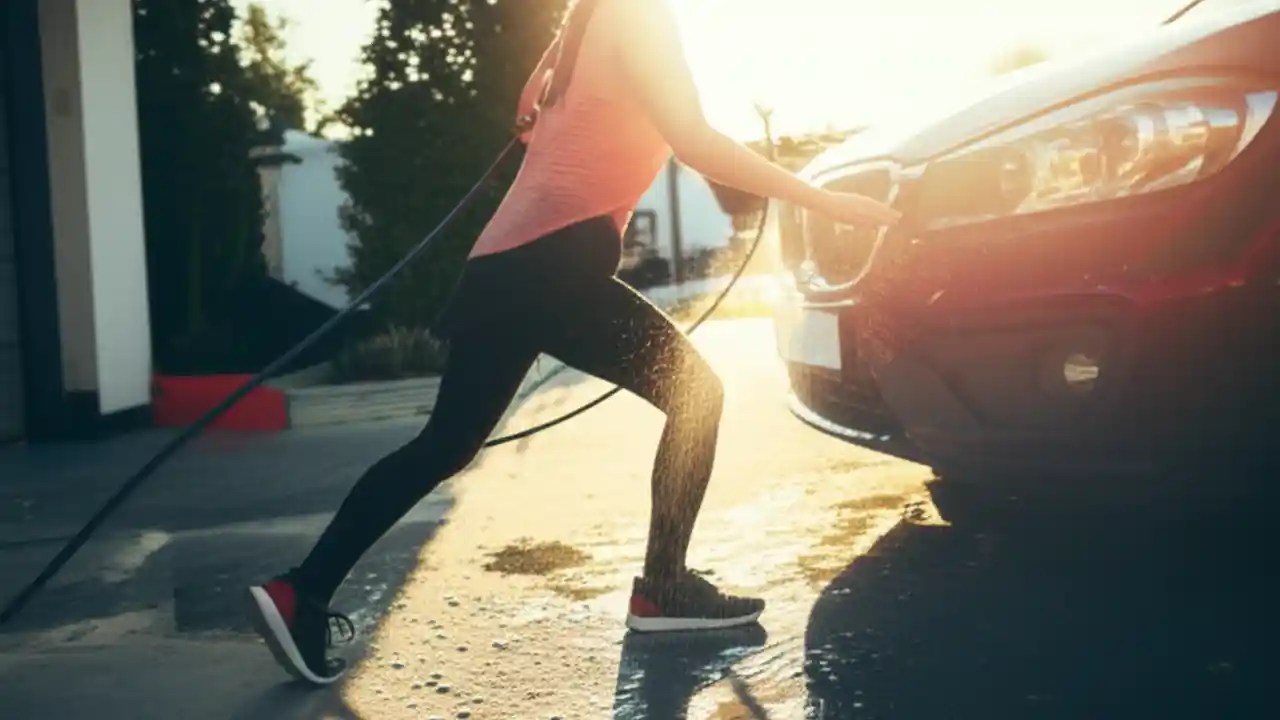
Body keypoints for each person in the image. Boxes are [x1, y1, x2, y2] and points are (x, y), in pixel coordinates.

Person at [245, 0, 900, 685]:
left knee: (444, 445)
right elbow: (697, 141)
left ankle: (302, 591)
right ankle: (665, 587)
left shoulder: (583, 28)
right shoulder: (639, 19)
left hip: (501, 267)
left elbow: (527, 109)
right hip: (553, 264)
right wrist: (823, 199)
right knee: (697, 395)